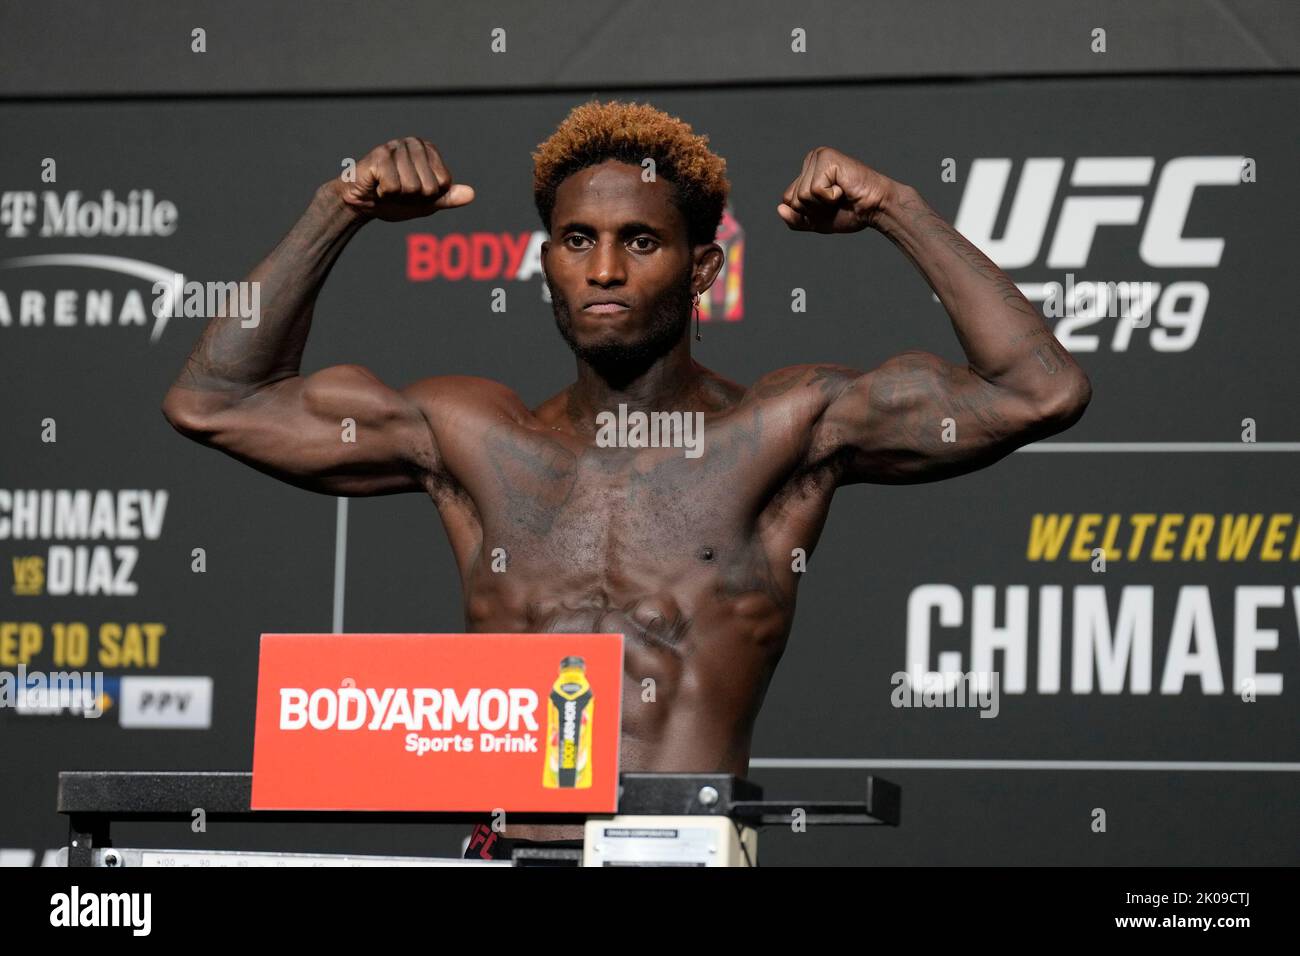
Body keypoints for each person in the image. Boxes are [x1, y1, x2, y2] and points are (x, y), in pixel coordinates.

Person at [161, 100, 1091, 857]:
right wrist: (341, 207)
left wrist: (896, 206)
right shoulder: (470, 434)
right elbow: (216, 400)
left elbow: (1039, 390)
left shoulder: (784, 427)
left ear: (703, 268)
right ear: (546, 266)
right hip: (509, 850)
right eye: (577, 240)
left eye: (640, 243)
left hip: (683, 852)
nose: (604, 268)